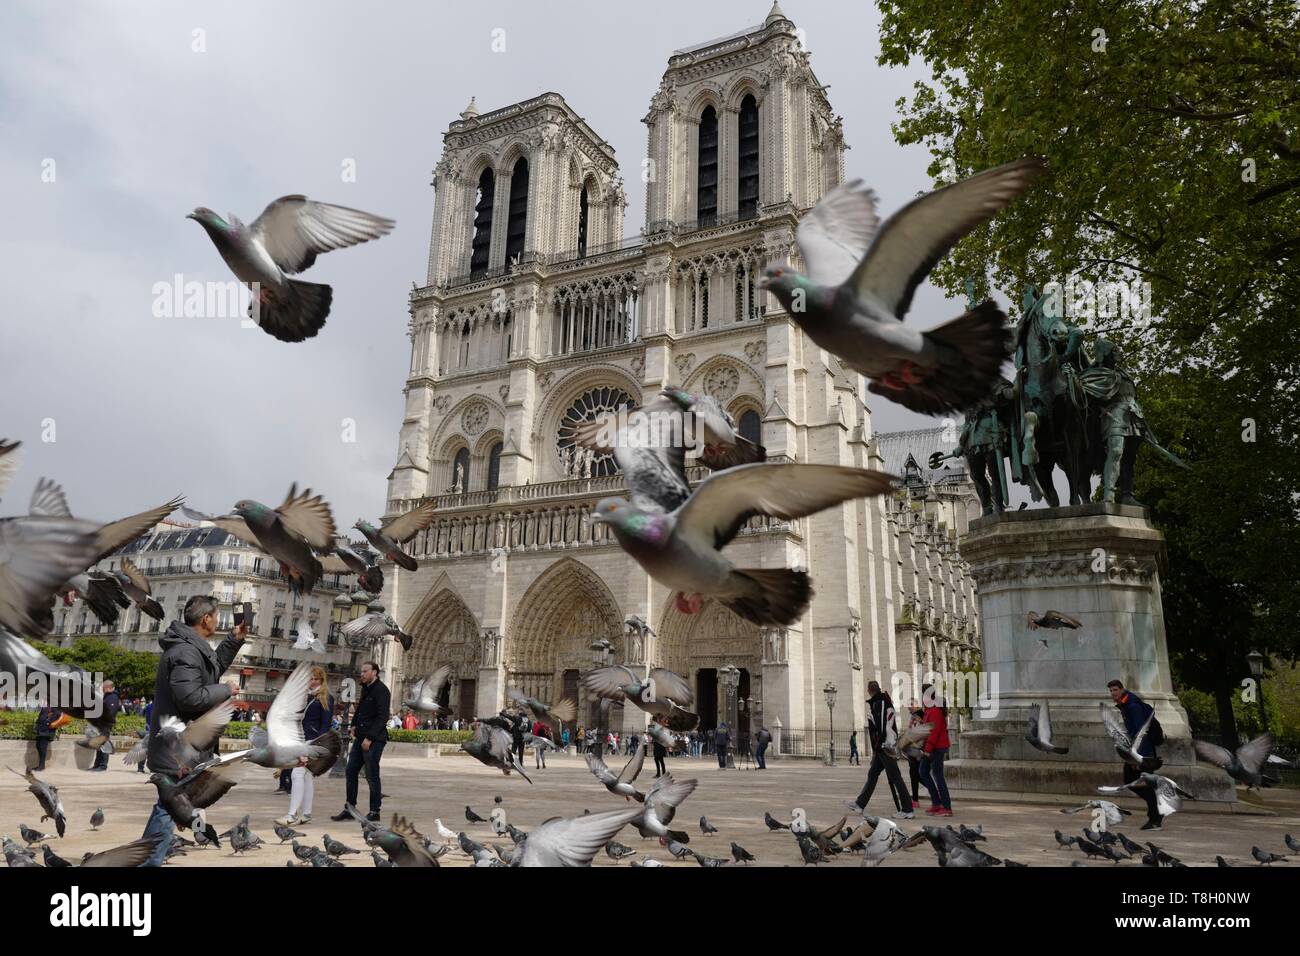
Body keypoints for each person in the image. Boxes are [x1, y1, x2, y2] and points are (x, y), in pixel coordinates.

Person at [140, 595, 249, 867]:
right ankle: (146, 863)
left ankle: (145, 861)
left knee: (170, 808)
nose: (218, 620)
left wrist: (234, 640)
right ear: (206, 619)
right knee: (169, 808)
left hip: (180, 748)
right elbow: (189, 697)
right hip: (177, 751)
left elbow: (209, 670)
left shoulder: (189, 647)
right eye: (216, 615)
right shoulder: (185, 651)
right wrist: (227, 689)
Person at [332, 661, 390, 823]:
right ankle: (350, 808)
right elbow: (359, 709)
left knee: (372, 775)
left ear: (375, 672)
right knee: (351, 771)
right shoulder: (366, 688)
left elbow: (383, 717)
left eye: (365, 671)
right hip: (361, 737)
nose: (362, 674)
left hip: (374, 739)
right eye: (361, 671)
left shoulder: (382, 691)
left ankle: (374, 811)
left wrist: (369, 738)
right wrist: (353, 725)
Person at [848, 681, 914, 819]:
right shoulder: (880, 702)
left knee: (895, 777)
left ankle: (908, 809)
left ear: (869, 690)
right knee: (872, 774)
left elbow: (882, 727)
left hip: (885, 746)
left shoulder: (881, 703)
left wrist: (878, 745)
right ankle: (860, 804)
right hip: (881, 747)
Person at [280, 666, 333, 827]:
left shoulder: (326, 697)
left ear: (321, 680)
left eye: (316, 679)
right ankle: (307, 813)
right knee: (307, 777)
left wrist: (316, 746)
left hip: (313, 742)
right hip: (301, 740)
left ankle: (291, 815)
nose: (312, 681)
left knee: (297, 775)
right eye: (310, 678)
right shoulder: (306, 696)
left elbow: (326, 725)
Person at [1107, 679, 1164, 829]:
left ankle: (1156, 818)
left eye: (1115, 690)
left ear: (1122, 690)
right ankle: (1157, 811)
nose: (1113, 693)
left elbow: (1141, 733)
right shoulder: (1126, 704)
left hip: (1142, 753)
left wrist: (1137, 760)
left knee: (1137, 782)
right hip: (1138, 752)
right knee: (1134, 782)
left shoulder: (1132, 706)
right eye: (1111, 691)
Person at [917, 683, 952, 817]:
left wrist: (927, 749)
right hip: (932, 746)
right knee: (923, 771)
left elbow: (935, 732)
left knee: (938, 775)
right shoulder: (929, 709)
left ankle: (946, 806)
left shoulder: (935, 710)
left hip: (937, 747)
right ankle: (936, 803)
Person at [88, 680, 120, 772]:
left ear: (108, 687)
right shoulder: (108, 697)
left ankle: (102, 766)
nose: (101, 689)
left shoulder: (112, 697)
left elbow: (110, 712)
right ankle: (97, 764)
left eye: (103, 688)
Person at [33, 702, 59, 771]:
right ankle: (40, 765)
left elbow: (57, 715)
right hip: (41, 729)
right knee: (38, 745)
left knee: (42, 747)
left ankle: (41, 766)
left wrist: (48, 722)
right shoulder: (45, 705)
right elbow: (41, 715)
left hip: (47, 730)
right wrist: (37, 723)